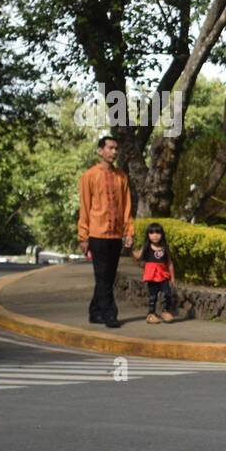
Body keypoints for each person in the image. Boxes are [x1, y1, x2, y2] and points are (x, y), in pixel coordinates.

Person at [78, 135, 135, 328]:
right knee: (102, 276)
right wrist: (83, 236)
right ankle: (110, 314)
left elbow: (127, 206)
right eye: (110, 148)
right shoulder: (89, 176)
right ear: (100, 151)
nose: (114, 152)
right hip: (97, 234)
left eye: (116, 149)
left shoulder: (121, 176)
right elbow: (84, 207)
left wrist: (129, 231)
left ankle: (95, 312)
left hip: (116, 234)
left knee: (108, 276)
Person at [132, 222, 177, 324]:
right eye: (151, 233)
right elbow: (138, 256)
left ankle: (165, 312)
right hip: (152, 276)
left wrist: (172, 278)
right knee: (153, 296)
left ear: (162, 234)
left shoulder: (165, 248)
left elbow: (169, 262)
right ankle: (151, 314)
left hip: (163, 275)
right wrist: (130, 248)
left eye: (158, 232)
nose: (155, 235)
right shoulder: (146, 247)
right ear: (148, 235)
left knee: (167, 293)